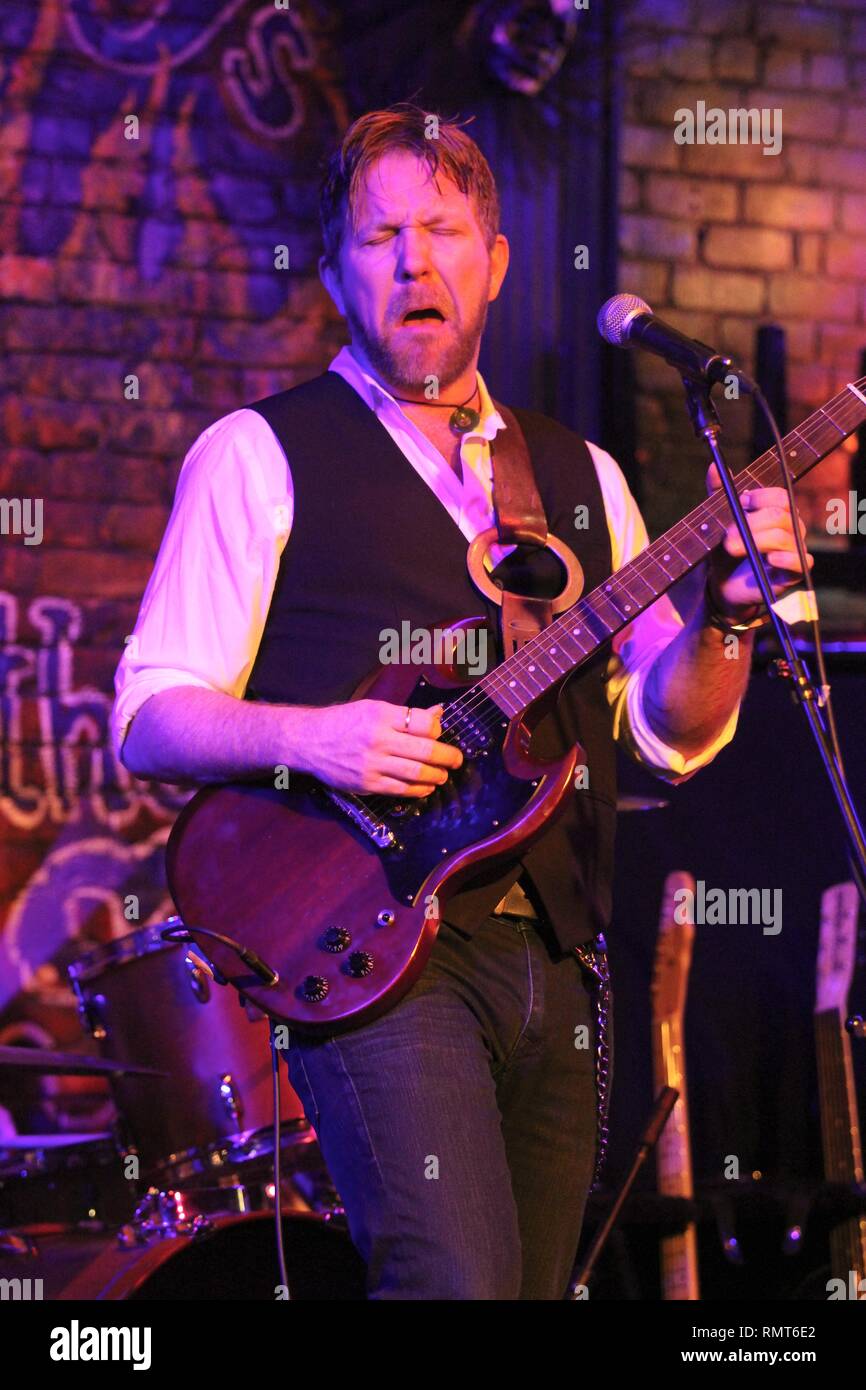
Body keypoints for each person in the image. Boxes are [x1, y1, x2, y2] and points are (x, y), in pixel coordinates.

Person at [113, 104, 812, 1300]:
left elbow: (670, 732)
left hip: (561, 951)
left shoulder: (580, 477)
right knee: (454, 1280)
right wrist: (313, 739)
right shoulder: (259, 452)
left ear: (492, 262)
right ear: (337, 274)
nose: (410, 257)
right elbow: (150, 713)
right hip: (374, 945)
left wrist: (732, 620)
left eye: (440, 228)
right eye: (378, 234)